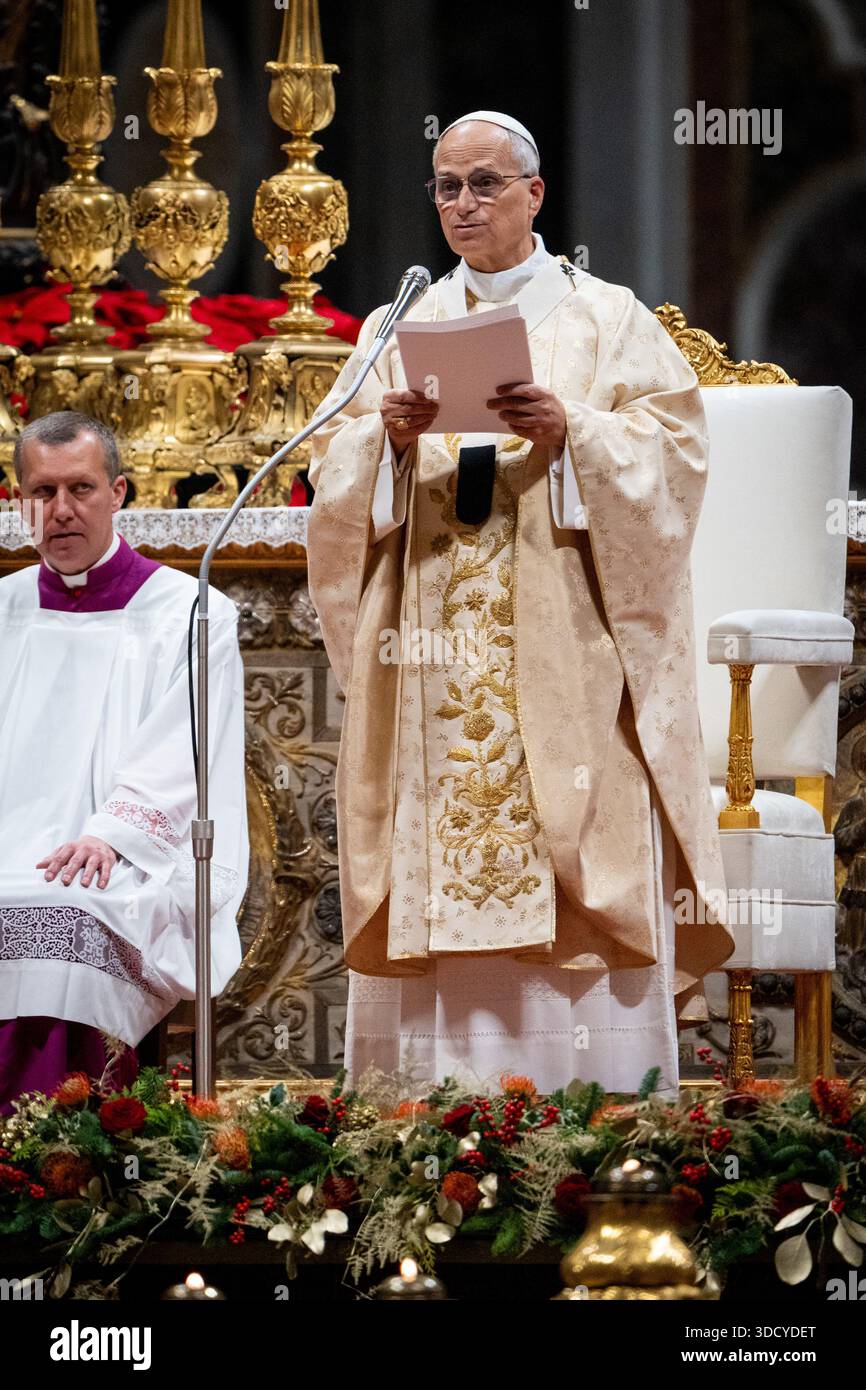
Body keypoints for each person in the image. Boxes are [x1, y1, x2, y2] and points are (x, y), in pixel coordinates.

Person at [306, 111, 733, 1096]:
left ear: (535, 194)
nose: (463, 204)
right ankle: (420, 1136)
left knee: (568, 825)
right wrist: (388, 442)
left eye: (485, 183)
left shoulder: (606, 317)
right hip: (426, 662)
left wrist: (572, 429)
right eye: (446, 186)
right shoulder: (393, 328)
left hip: (563, 653)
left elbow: (675, 461)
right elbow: (329, 481)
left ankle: (591, 1122)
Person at [0, 410, 248, 1112]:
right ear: (21, 503)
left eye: (80, 488)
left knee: (72, 909)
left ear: (120, 492)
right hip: (13, 845)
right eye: (42, 493)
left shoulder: (189, 612)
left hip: (128, 855)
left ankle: (59, 1164)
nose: (62, 510)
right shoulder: (4, 608)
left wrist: (111, 833)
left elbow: (186, 752)